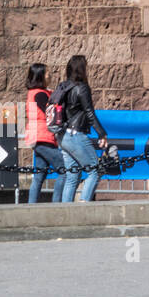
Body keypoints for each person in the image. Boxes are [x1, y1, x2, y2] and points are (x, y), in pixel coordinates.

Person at [57, 55, 108, 203]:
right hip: (76, 134)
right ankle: (83, 207)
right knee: (95, 171)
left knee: (73, 176)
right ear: (82, 70)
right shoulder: (82, 88)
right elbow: (89, 112)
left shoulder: (63, 86)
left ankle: (66, 213)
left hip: (63, 136)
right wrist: (102, 134)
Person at [23, 63, 64, 204]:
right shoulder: (40, 94)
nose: (50, 76)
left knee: (39, 175)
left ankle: (31, 207)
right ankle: (56, 205)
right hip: (43, 137)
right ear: (40, 76)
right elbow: (50, 112)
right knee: (65, 169)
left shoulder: (35, 93)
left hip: (37, 137)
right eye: (47, 73)